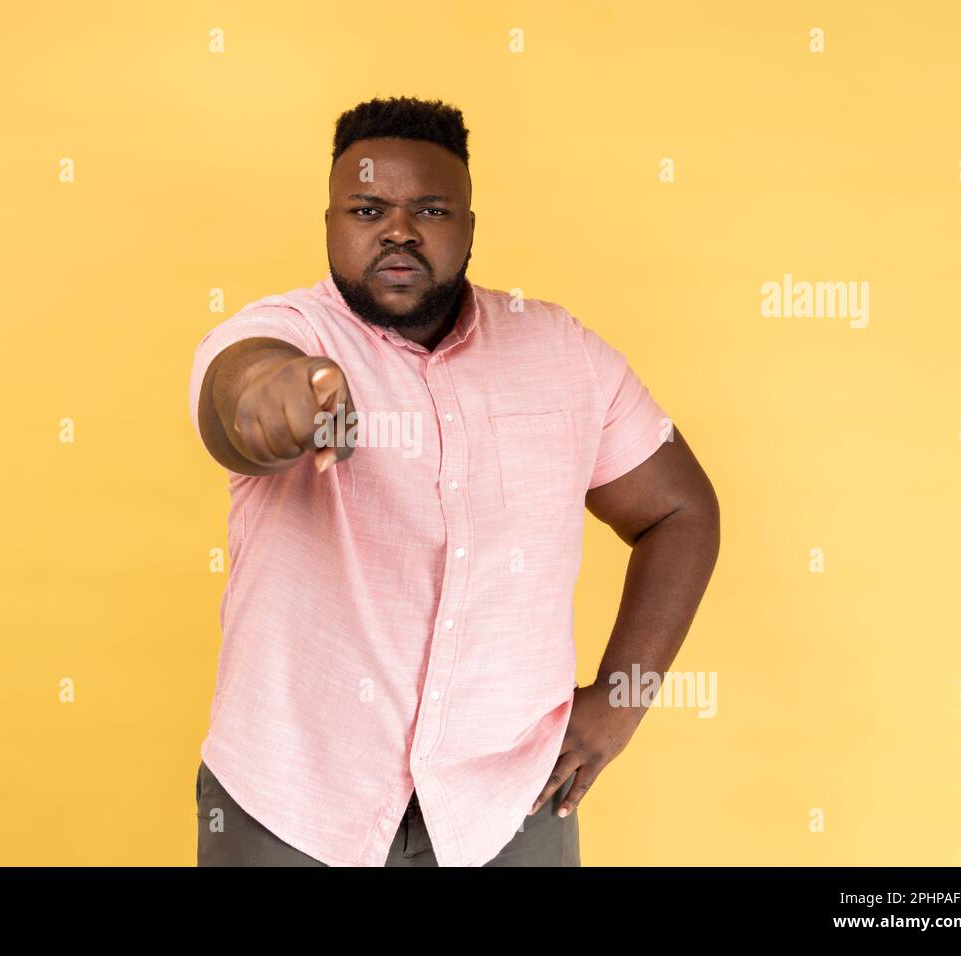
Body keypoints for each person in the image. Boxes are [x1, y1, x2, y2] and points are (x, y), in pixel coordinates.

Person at [188, 96, 720, 866]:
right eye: (367, 208)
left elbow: (680, 509)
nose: (398, 230)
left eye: (430, 209)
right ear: (331, 222)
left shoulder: (562, 352)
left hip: (508, 812)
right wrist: (283, 396)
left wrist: (623, 699)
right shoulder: (281, 333)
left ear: (470, 226)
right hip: (290, 808)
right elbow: (240, 396)